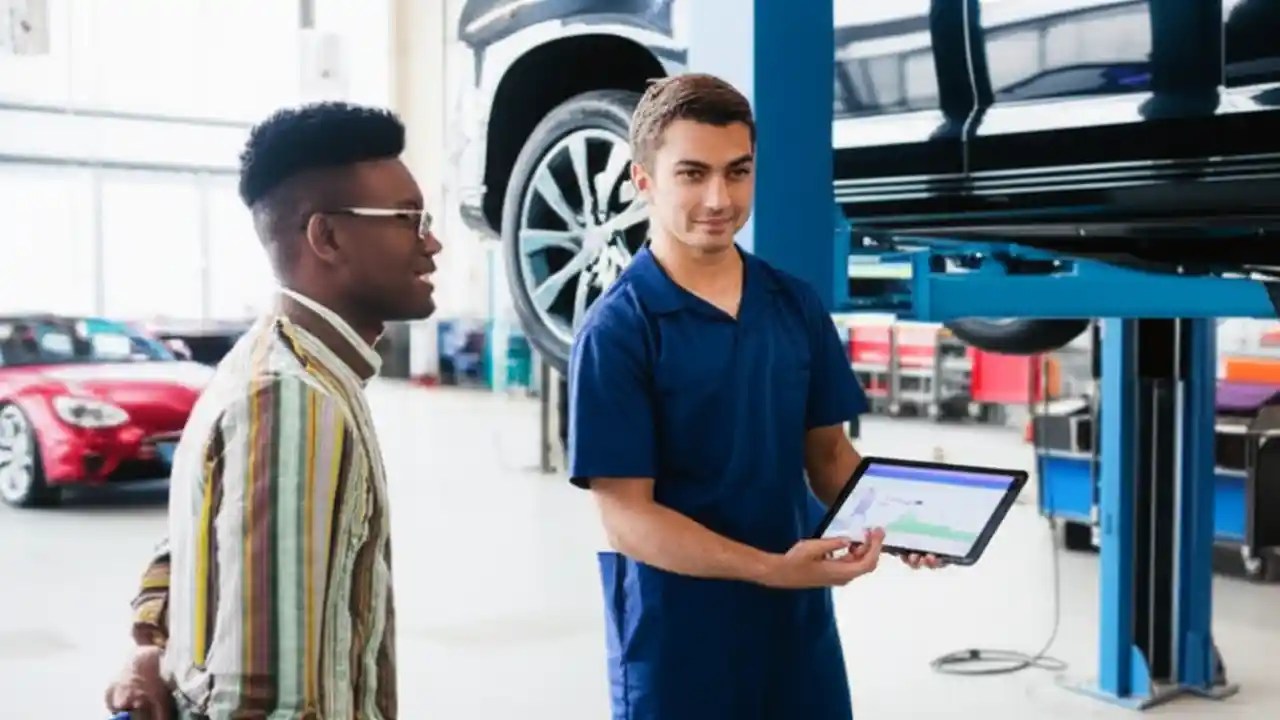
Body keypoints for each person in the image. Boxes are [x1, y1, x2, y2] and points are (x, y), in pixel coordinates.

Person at [567, 73, 942, 720]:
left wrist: (906, 522)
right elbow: (626, 517)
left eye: (737, 172)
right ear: (643, 182)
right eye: (692, 174)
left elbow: (827, 456)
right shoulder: (619, 330)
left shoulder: (792, 304)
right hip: (679, 641)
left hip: (796, 632)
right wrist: (772, 568)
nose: (719, 198)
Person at [104, 101, 442, 719]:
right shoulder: (295, 399)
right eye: (408, 219)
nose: (432, 242)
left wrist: (149, 643)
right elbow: (268, 696)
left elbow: (189, 545)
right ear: (328, 236)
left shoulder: (272, 364)